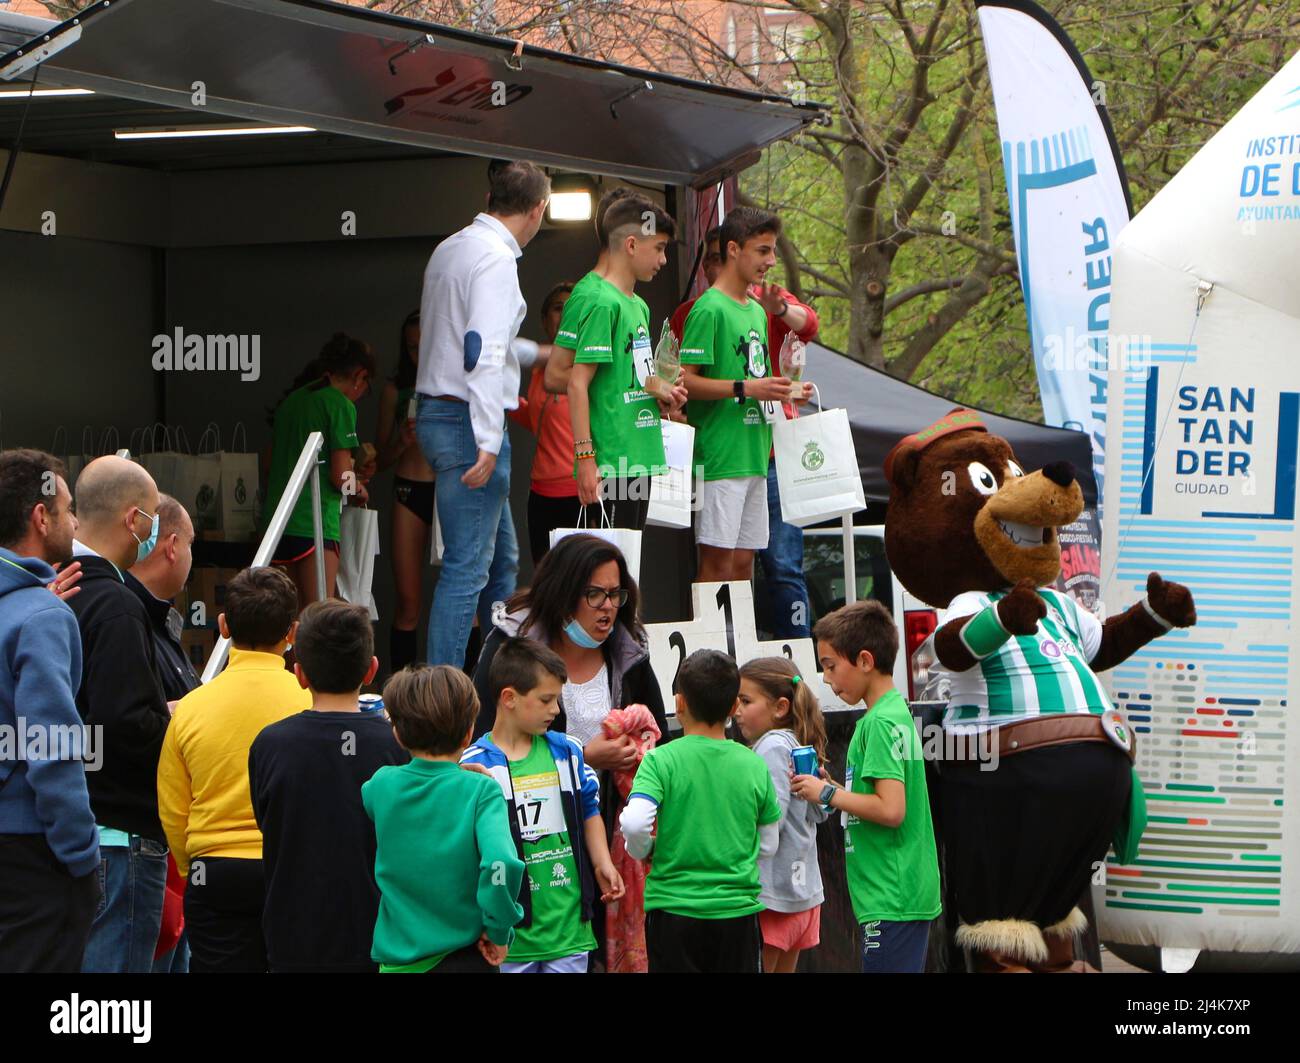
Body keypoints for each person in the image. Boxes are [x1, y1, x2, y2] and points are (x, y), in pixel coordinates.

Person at [470, 533, 667, 971]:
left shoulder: (629, 653)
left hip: (613, 834)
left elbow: (662, 739)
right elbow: (483, 745)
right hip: (532, 851)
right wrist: (588, 759)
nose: (607, 607)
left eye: (615, 594)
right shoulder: (511, 649)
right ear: (563, 593)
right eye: (594, 594)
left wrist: (638, 753)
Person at [415, 160, 551, 669]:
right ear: (538, 209)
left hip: (441, 410)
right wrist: (490, 437)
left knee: (498, 565)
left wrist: (536, 353)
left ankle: (490, 682)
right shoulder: (495, 258)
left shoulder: (452, 247)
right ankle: (442, 698)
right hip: (468, 419)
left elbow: (470, 342)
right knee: (468, 570)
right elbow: (480, 350)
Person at [156, 566, 311, 973]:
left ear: (223, 626)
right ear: (292, 632)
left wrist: (194, 867)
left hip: (215, 871)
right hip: (291, 868)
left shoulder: (190, 708)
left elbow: (173, 807)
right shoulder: (310, 703)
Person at [671, 225, 819, 637]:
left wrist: (785, 389)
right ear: (733, 250)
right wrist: (746, 387)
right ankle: (706, 658)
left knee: (742, 564)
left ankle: (736, 658)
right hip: (720, 456)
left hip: (756, 452)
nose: (771, 261)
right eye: (763, 251)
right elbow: (685, 382)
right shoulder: (708, 308)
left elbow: (762, 369)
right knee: (716, 564)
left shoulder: (756, 309)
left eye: (772, 251)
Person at [248, 599, 407, 972]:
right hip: (379, 940)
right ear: (371, 671)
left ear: (300, 673)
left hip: (294, 941)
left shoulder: (270, 744)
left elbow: (264, 819)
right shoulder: (396, 745)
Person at [64, 455, 172, 974]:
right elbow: (126, 723)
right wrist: (178, 726)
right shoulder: (116, 606)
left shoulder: (56, 591)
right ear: (134, 521)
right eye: (153, 516)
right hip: (122, 835)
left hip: (69, 826)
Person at [792, 600, 941, 974]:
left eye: (830, 666)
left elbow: (891, 810)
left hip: (892, 895)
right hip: (895, 894)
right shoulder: (890, 713)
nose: (826, 678)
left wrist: (827, 794)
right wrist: (836, 789)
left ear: (864, 660)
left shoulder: (880, 723)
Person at [461, 637, 623, 973]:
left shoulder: (568, 751)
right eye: (546, 700)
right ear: (509, 698)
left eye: (557, 700)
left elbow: (589, 807)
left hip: (568, 933)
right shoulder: (474, 765)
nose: (556, 710)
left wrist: (602, 862)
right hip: (510, 941)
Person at [619, 649, 780, 973]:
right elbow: (768, 844)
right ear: (734, 707)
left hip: (673, 913)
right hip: (737, 913)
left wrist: (646, 849)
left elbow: (635, 824)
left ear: (679, 704)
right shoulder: (753, 764)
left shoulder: (659, 760)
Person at [0, 450, 99, 973]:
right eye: (67, 508)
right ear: (41, 518)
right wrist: (83, 856)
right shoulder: (42, 617)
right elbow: (53, 747)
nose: (76, 521)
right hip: (32, 851)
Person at [364, 665, 525, 973]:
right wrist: (498, 929)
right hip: (466, 957)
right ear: (468, 733)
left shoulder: (381, 786)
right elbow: (500, 865)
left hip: (398, 963)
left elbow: (407, 788)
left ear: (397, 734)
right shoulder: (482, 791)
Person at [563, 196, 686, 527]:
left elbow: (636, 378)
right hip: (611, 459)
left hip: (640, 454)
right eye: (659, 248)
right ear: (632, 244)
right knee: (608, 569)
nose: (663, 260)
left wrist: (663, 394)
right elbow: (576, 382)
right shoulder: (602, 302)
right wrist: (586, 459)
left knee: (628, 567)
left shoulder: (639, 306)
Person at [123, 493, 199, 974]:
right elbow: (131, 722)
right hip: (141, 837)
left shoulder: (154, 617)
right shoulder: (125, 618)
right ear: (171, 546)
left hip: (161, 845)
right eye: (191, 544)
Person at [263, 332, 376, 608]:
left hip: (277, 522)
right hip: (315, 524)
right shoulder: (340, 405)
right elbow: (340, 477)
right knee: (318, 615)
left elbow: (269, 462)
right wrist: (359, 489)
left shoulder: (292, 402)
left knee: (286, 619)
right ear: (359, 376)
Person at [735, 656, 829, 973]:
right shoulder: (797, 743)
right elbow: (820, 812)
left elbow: (769, 819)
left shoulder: (770, 747)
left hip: (773, 895)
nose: (736, 711)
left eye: (745, 701)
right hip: (802, 892)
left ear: (780, 707)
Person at [375, 310, 435, 674]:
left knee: (466, 601)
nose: (418, 354)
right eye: (412, 348)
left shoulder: (455, 384)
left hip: (450, 493)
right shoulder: (395, 390)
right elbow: (377, 457)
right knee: (408, 602)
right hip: (410, 487)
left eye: (425, 346)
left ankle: (466, 689)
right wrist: (402, 442)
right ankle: (400, 690)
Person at [543, 186, 644, 398]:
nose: (661, 257)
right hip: (603, 430)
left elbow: (631, 383)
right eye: (649, 237)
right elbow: (554, 376)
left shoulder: (637, 302)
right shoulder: (588, 294)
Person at [515, 282, 583, 564]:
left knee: (581, 580)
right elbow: (541, 423)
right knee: (547, 582)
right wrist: (507, 402)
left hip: (582, 489)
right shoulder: (540, 370)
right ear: (545, 320)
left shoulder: (591, 365)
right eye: (558, 308)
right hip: (541, 493)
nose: (565, 313)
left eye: (573, 309)